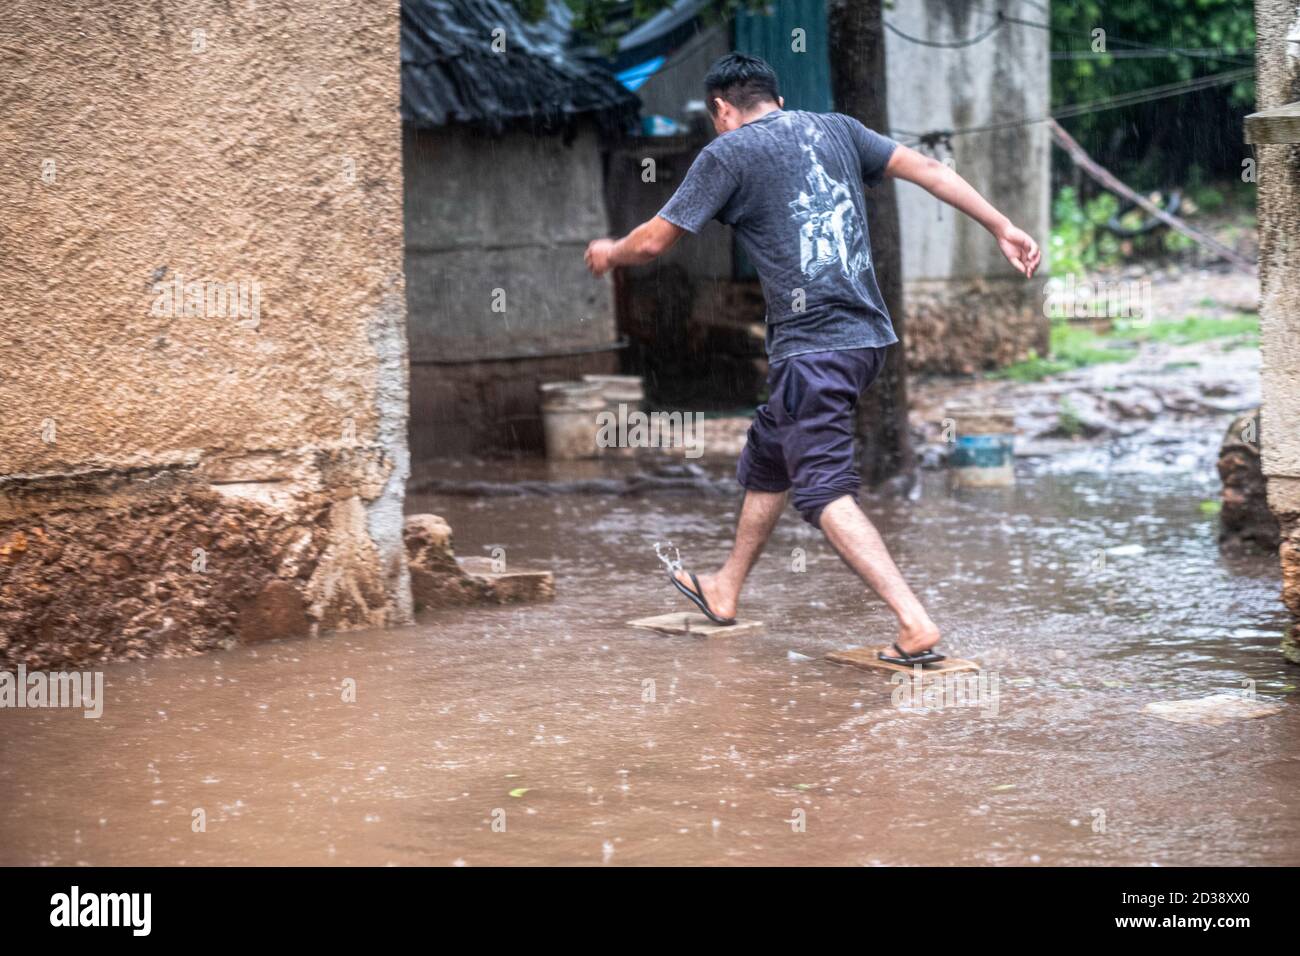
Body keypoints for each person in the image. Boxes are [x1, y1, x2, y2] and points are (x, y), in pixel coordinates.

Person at [584, 53, 1040, 665]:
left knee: (822, 490)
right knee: (771, 453)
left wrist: (611, 252)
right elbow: (929, 168)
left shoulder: (726, 153)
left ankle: (914, 623)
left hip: (815, 347)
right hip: (867, 337)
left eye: (717, 115)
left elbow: (658, 239)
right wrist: (1001, 225)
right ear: (773, 95)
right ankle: (724, 589)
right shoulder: (838, 128)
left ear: (723, 108)